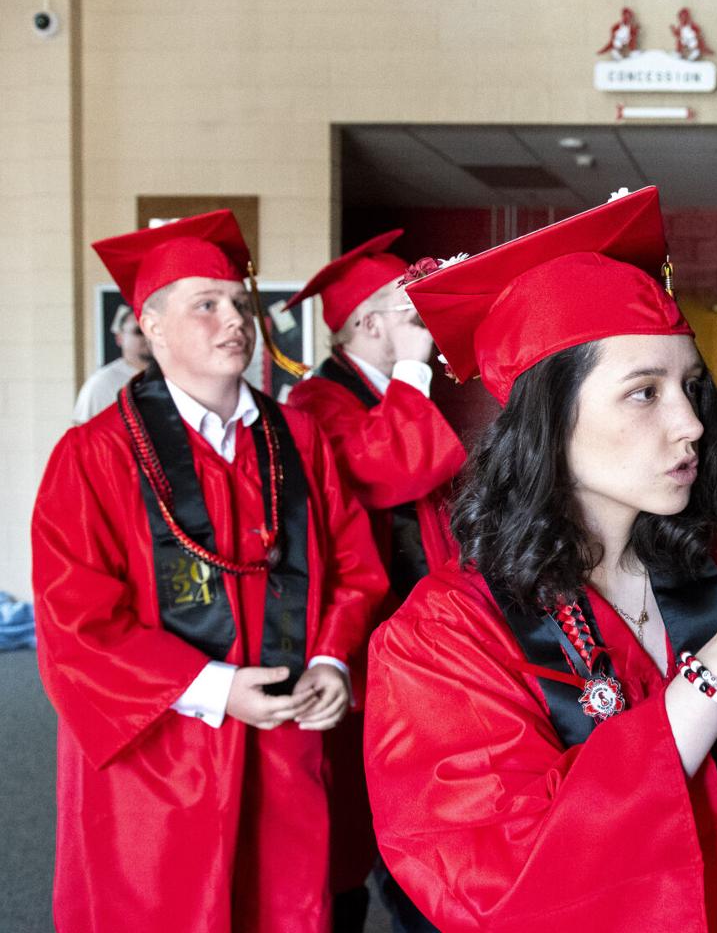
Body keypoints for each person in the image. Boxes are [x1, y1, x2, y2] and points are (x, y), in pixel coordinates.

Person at [362, 187, 717, 933]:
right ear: (549, 421)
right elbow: (501, 878)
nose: (691, 423)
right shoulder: (441, 636)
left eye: (690, 387)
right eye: (643, 392)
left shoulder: (716, 569)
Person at [31, 210, 386, 933]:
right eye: (207, 304)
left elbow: (356, 567)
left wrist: (331, 663)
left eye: (239, 302)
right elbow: (76, 623)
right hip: (162, 757)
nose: (236, 319)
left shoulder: (299, 441)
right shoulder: (95, 455)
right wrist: (219, 691)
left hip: (286, 741)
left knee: (286, 907)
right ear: (151, 325)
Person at [286, 231, 467, 933]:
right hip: (357, 638)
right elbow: (392, 471)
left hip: (411, 627)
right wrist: (415, 373)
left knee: (413, 799)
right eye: (404, 307)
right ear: (366, 324)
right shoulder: (314, 406)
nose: (419, 317)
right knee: (356, 817)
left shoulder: (381, 391)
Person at [72, 302, 151, 423]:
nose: (148, 337)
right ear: (120, 338)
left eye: (153, 330)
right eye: (139, 331)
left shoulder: (178, 378)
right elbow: (83, 436)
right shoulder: (101, 384)